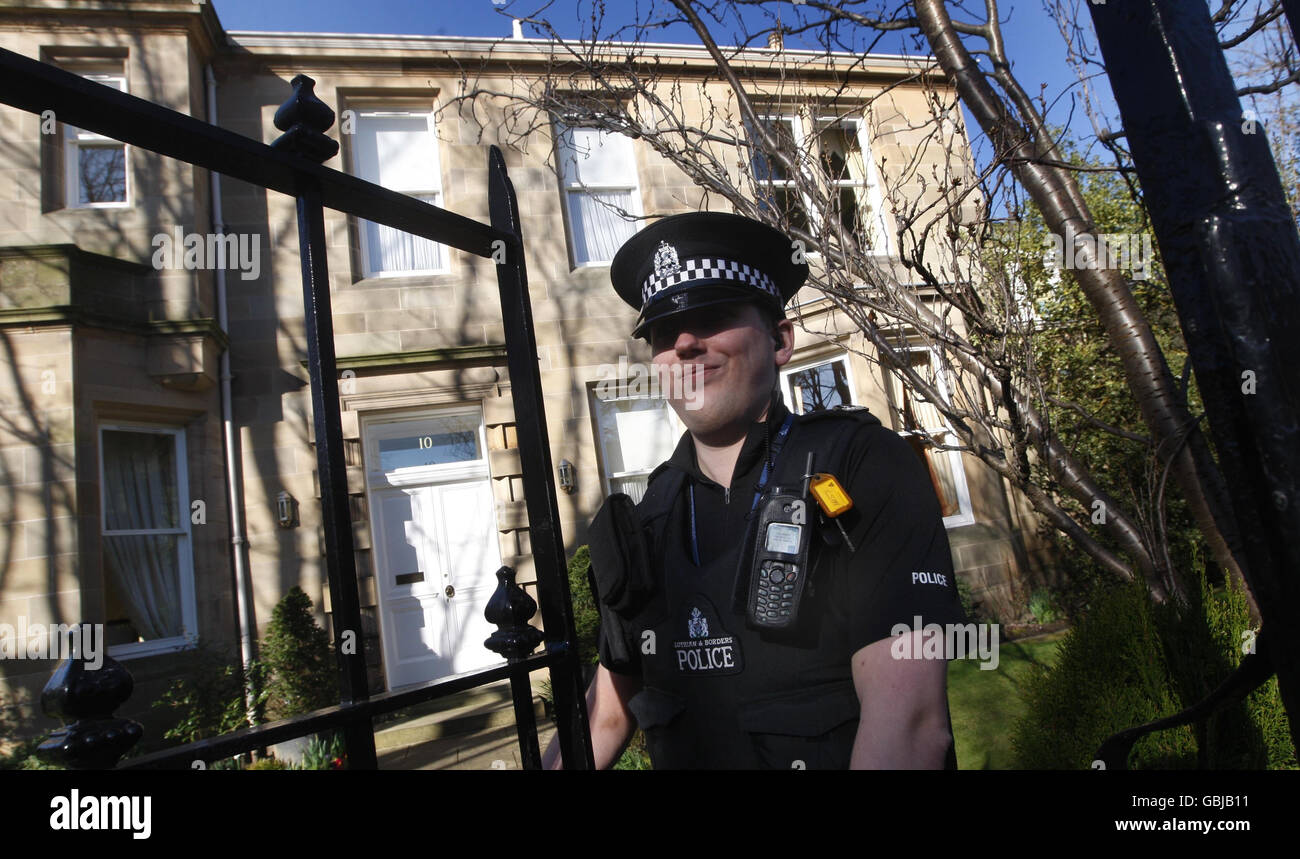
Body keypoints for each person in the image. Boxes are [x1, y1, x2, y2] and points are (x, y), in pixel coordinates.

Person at [542, 212, 968, 770]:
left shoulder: (862, 466)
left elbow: (909, 729)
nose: (686, 343)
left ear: (781, 340)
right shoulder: (648, 517)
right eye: (664, 334)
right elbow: (607, 714)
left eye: (713, 317)